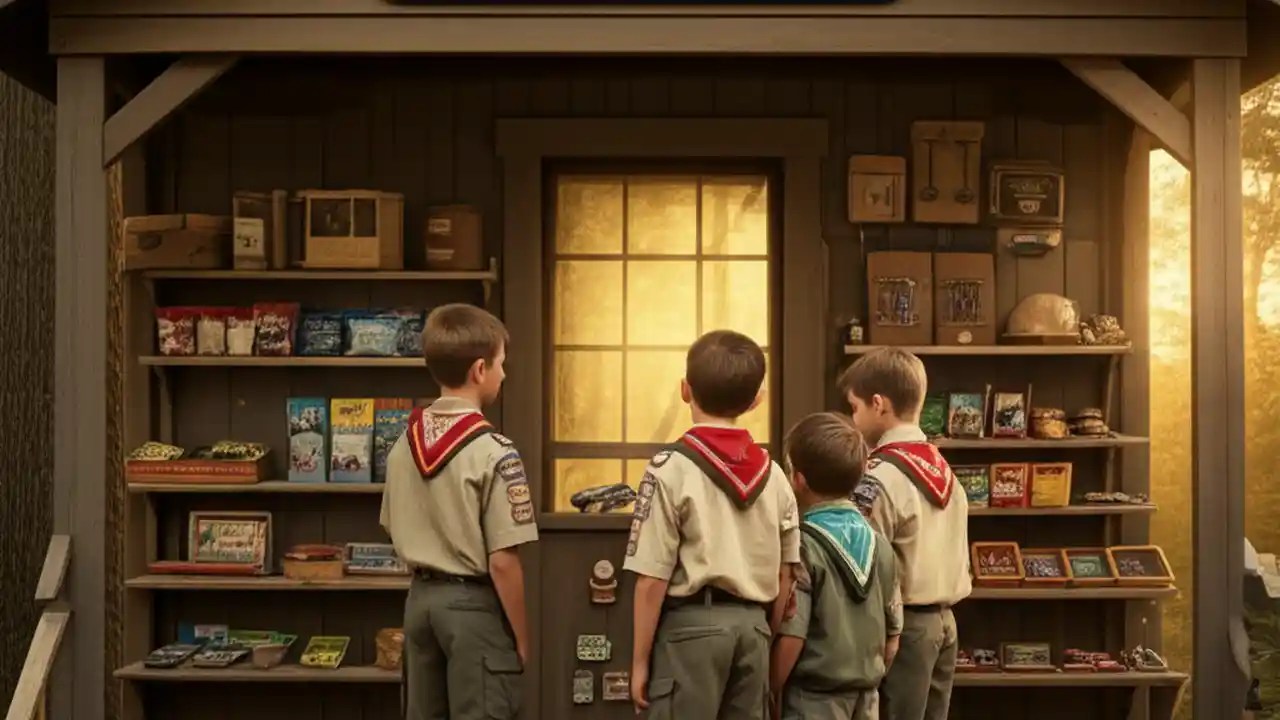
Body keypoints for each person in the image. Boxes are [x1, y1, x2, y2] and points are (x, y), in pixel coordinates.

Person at [624, 329, 801, 719]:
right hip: (754, 630)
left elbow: (652, 577)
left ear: (685, 390)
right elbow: (787, 574)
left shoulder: (670, 468)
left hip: (691, 630)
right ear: (757, 400)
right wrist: (764, 632)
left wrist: (639, 662)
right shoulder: (775, 475)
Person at [380, 303, 537, 720]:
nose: (504, 374)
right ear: (480, 370)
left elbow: (391, 524)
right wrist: (520, 637)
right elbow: (503, 561)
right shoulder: (494, 452)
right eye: (501, 364)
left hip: (420, 604)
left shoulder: (402, 445)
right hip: (472, 609)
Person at [838, 347, 970, 720]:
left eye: (855, 407)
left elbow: (865, 567)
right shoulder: (944, 469)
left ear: (878, 404)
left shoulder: (878, 477)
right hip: (945, 623)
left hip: (902, 628)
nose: (854, 419)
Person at [770, 412, 902, 720]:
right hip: (867, 697)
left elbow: (793, 636)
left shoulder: (804, 545)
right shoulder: (880, 545)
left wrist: (770, 689)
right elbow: (892, 640)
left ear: (798, 479)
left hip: (812, 699)